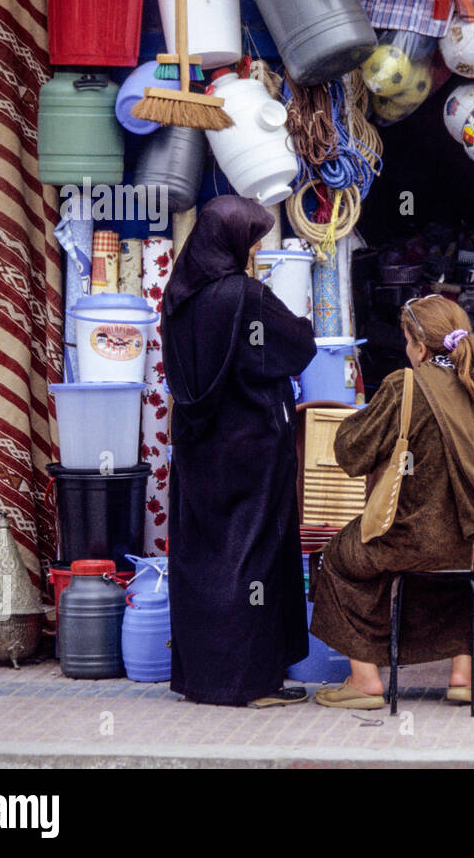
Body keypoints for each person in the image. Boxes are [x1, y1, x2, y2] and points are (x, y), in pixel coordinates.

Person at [310, 295, 474, 710]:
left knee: (339, 559)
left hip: (413, 540)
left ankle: (365, 680)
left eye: (406, 339)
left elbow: (351, 452)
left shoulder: (404, 386)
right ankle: (464, 677)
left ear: (419, 345)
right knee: (463, 564)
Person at [161, 196, 318, 708]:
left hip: (196, 448)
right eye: (248, 243)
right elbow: (297, 346)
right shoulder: (245, 296)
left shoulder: (176, 299)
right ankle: (250, 682)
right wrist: (304, 325)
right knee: (253, 558)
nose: (251, 253)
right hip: (251, 448)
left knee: (202, 556)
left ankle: (205, 678)